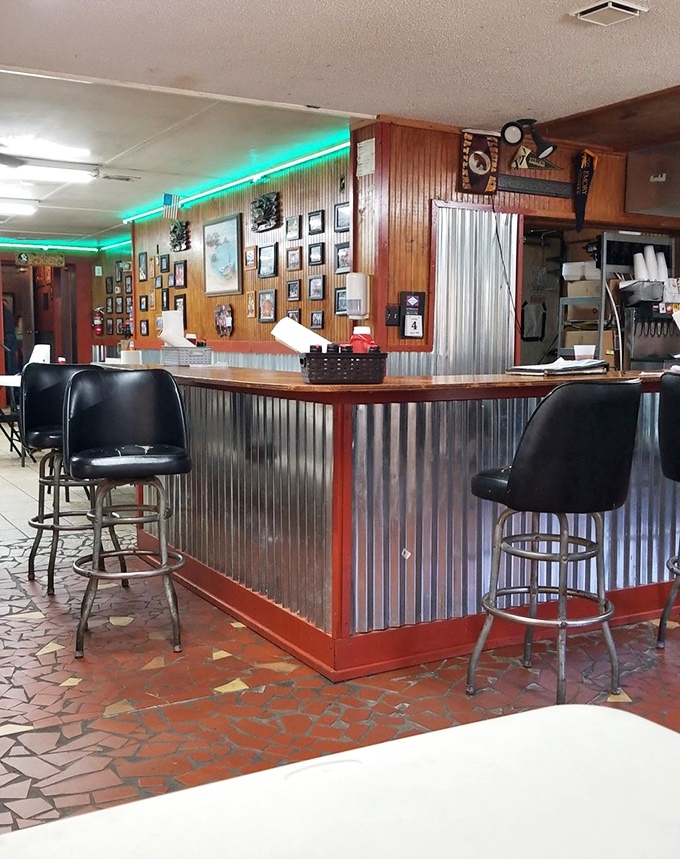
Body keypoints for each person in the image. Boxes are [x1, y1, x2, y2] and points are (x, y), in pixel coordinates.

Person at [2, 298, 18, 375]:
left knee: (9, 363)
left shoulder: (3, 311)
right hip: (10, 336)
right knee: (11, 362)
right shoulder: (7, 311)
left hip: (6, 338)